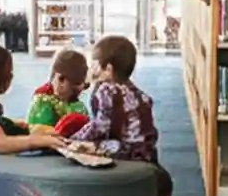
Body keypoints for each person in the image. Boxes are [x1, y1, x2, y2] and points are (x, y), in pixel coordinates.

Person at [65, 35, 160, 164]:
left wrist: (73, 140)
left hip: (127, 152)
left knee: (91, 145)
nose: (91, 69)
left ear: (108, 69)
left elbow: (100, 127)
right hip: (148, 152)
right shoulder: (140, 94)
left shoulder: (107, 90)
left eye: (94, 64)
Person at [27, 49, 90, 133]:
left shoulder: (78, 105)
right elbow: (37, 132)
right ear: (58, 77)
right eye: (60, 79)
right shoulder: (42, 100)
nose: (61, 85)